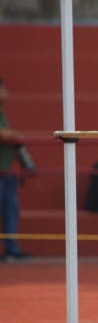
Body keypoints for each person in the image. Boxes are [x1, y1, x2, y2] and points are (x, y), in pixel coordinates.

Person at [0, 79, 34, 261]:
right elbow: (3, 134)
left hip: (6, 172)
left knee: (11, 210)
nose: (6, 92)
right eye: (2, 89)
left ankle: (11, 248)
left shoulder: (2, 112)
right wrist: (15, 135)